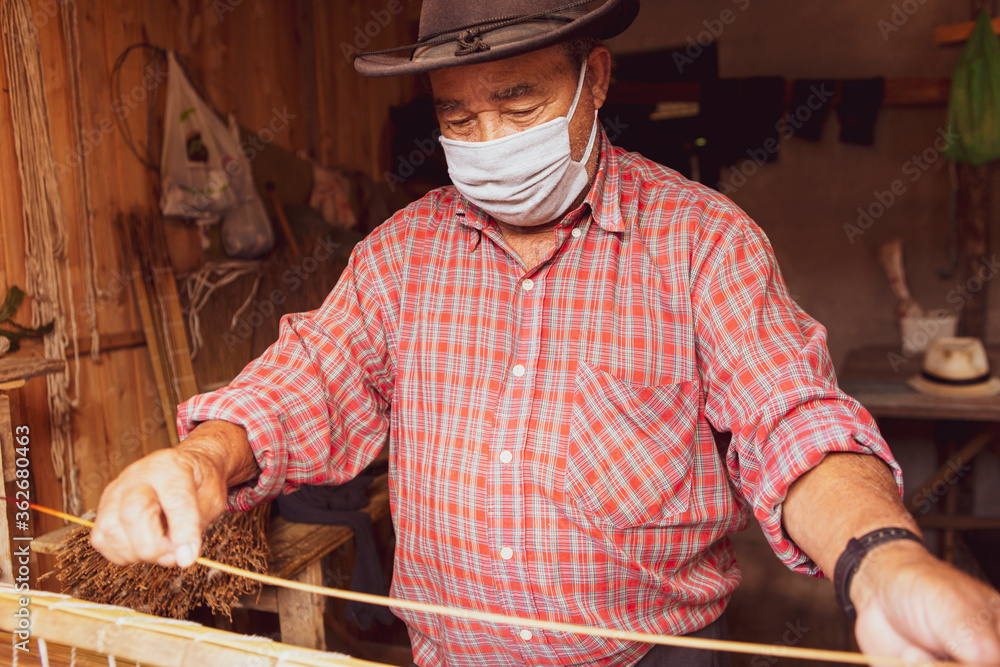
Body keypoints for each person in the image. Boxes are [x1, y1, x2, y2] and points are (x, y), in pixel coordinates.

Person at [92, 1, 1000, 666]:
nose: (489, 139)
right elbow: (313, 374)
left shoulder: (703, 243)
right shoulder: (400, 256)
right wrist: (204, 456)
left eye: (520, 105)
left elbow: (791, 421)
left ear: (595, 79)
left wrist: (879, 559)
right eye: (457, 118)